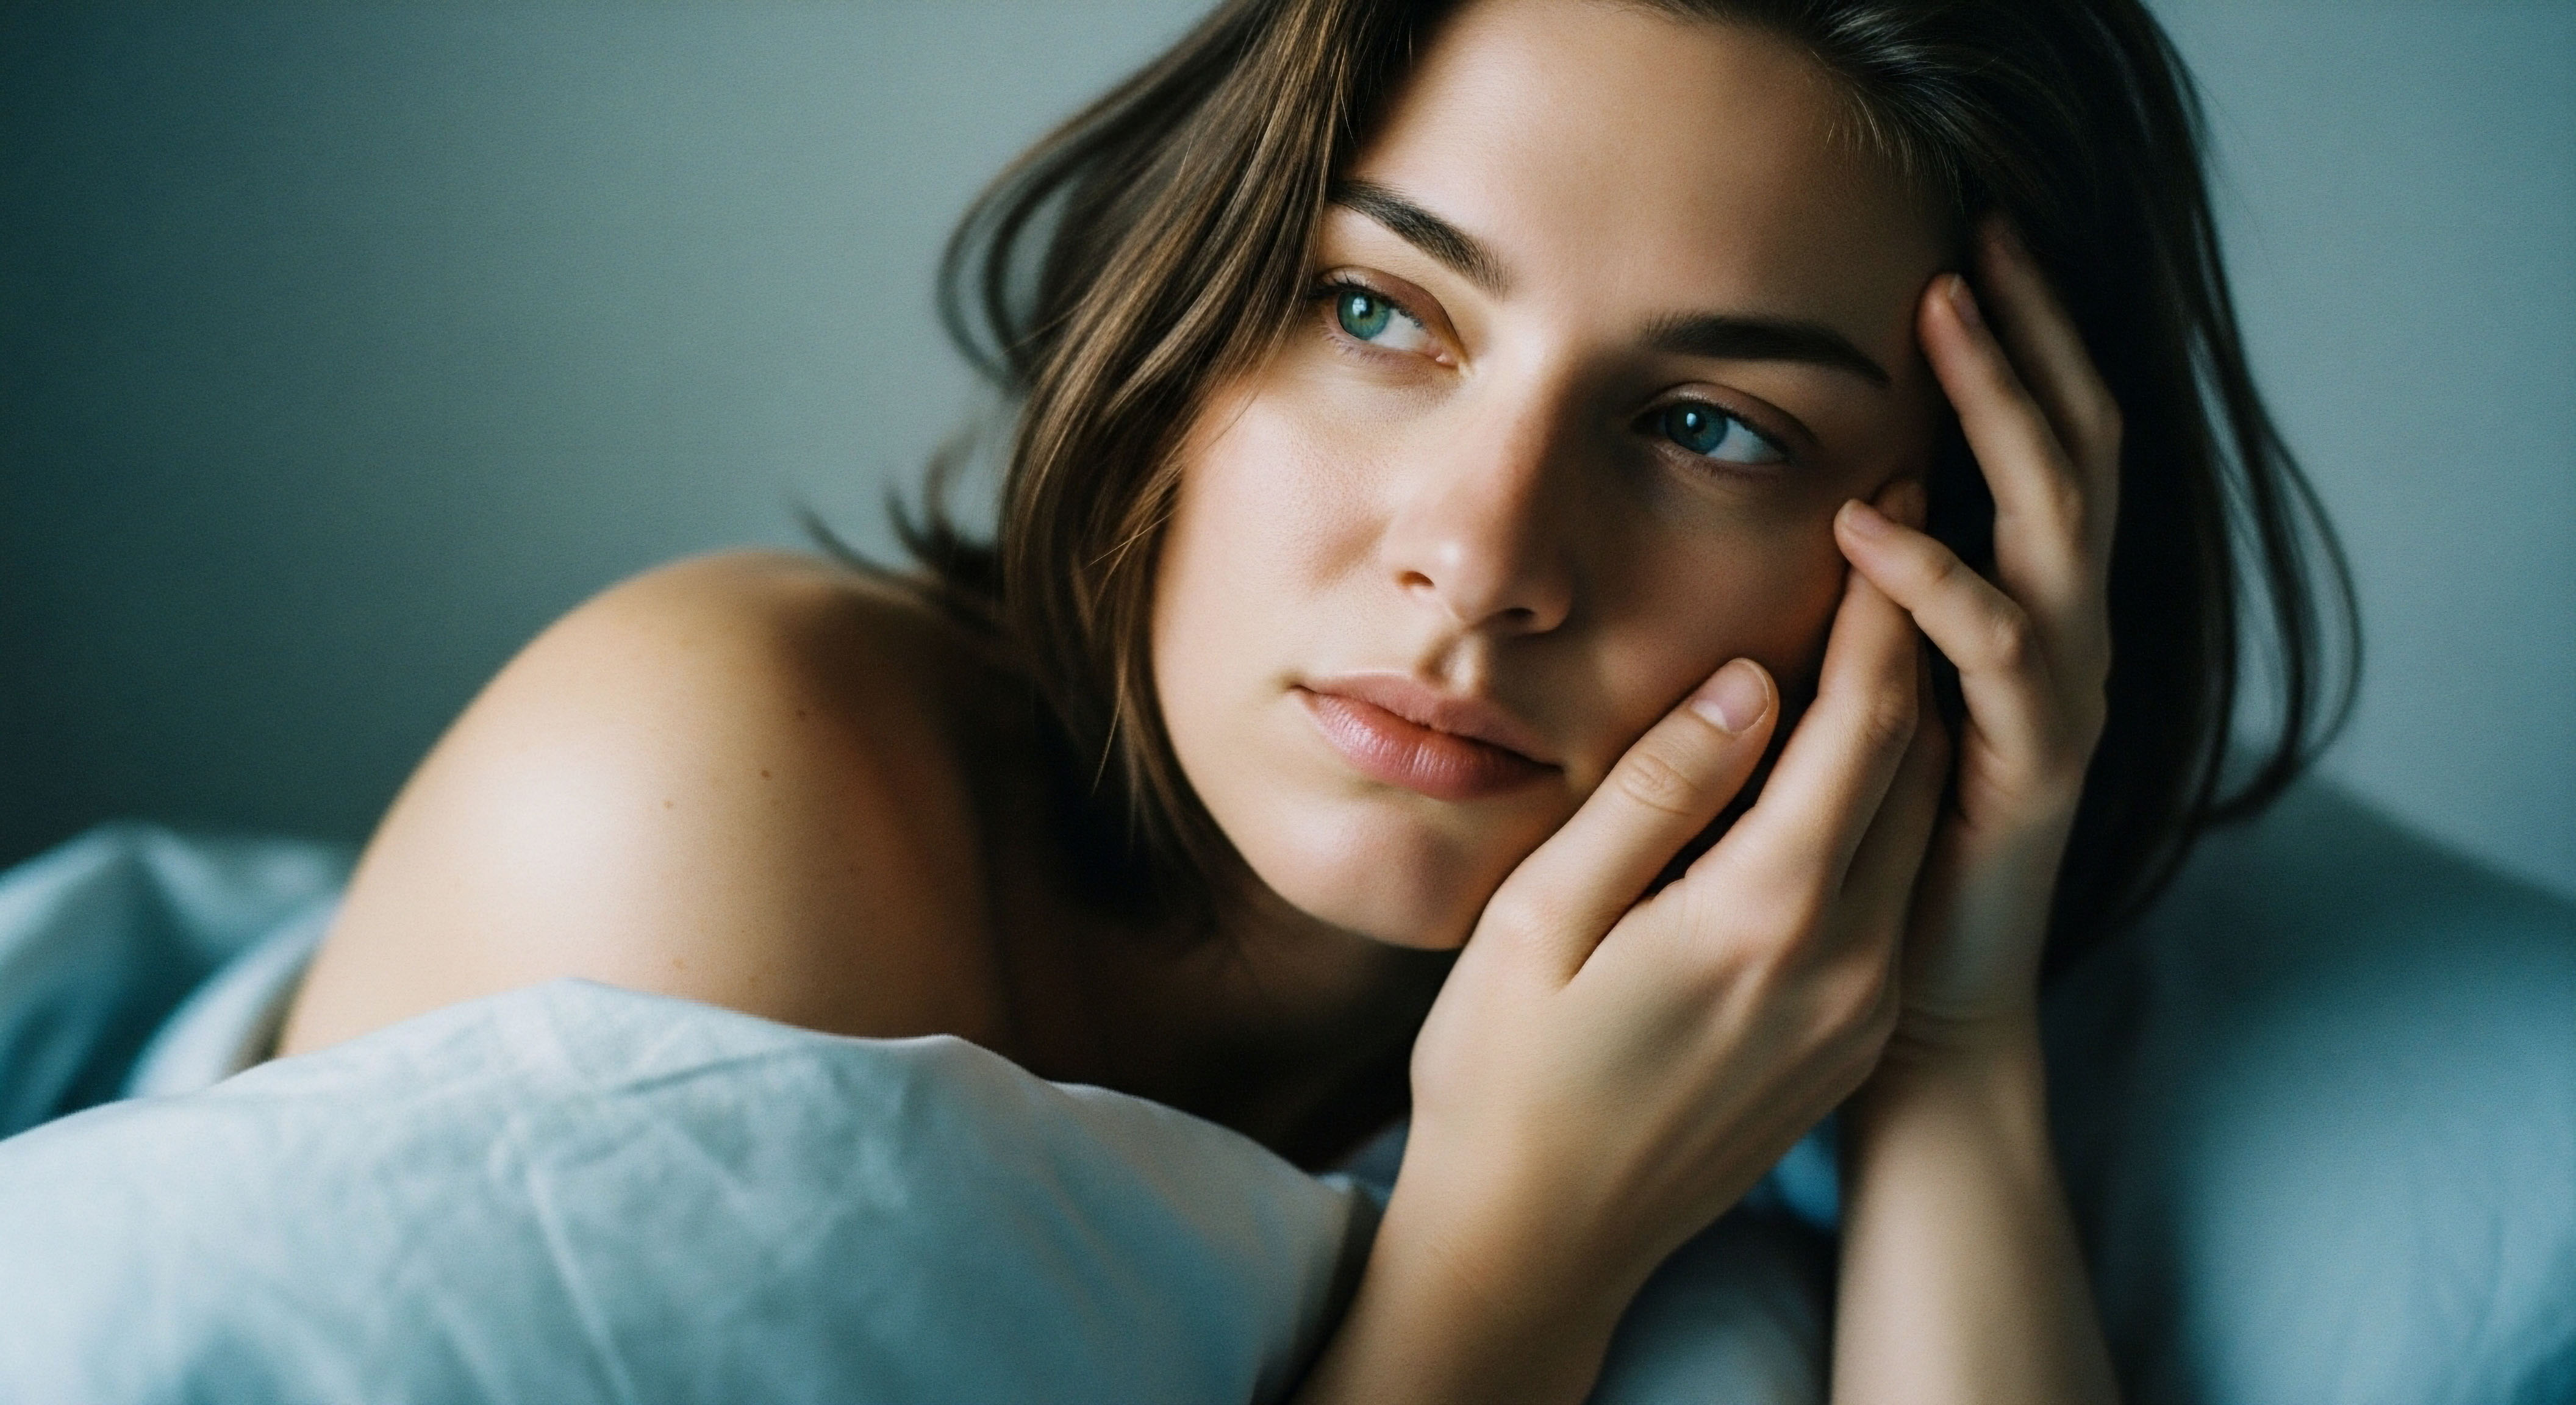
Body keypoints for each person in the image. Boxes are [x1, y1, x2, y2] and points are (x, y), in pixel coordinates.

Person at [276, 0, 2352, 1398]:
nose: (1484, 553)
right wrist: (1500, 1283)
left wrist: (1949, 1044)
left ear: (1950, 566)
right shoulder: (710, 779)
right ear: (1190, 328)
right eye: (1378, 310)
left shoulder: (1731, 1053)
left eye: (1712, 427)